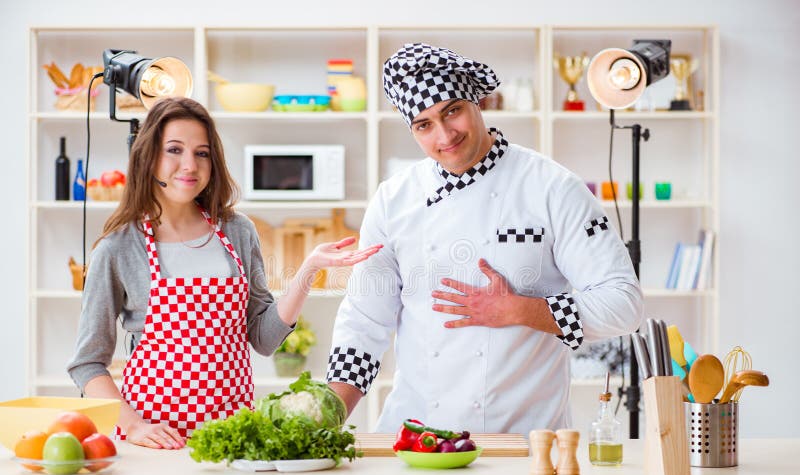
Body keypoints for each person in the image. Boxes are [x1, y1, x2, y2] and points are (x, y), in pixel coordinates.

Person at [325, 43, 643, 434]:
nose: (444, 135)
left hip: (523, 440)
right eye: (424, 125)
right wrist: (324, 421)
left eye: (452, 111)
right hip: (416, 438)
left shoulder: (553, 187)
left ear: (478, 101)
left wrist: (522, 310)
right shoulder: (393, 200)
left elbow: (624, 304)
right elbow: (364, 322)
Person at [66, 97, 381, 449]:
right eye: (174, 150)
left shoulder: (237, 231)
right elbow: (87, 364)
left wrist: (308, 271)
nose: (190, 165)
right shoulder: (119, 247)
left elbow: (263, 339)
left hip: (231, 435)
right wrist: (135, 426)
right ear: (148, 156)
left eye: (202, 153)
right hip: (154, 437)